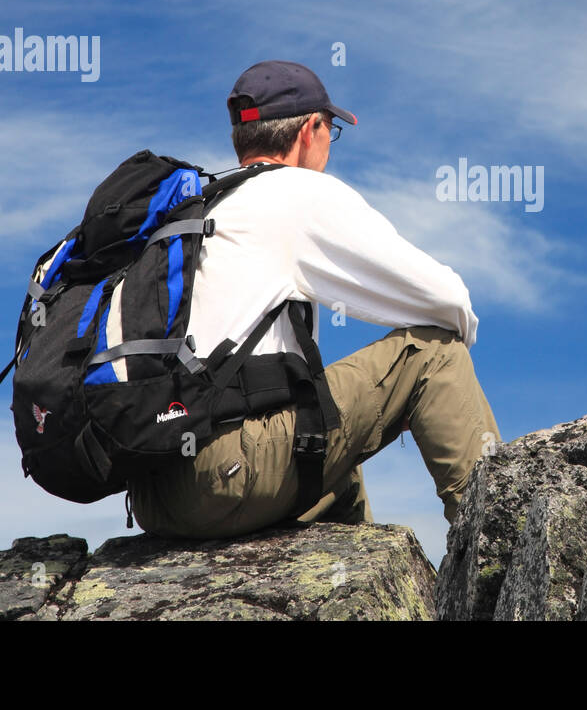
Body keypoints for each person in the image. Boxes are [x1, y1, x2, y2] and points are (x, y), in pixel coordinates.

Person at [127, 60, 501, 539]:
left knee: (322, 428)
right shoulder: (296, 193)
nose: (330, 146)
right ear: (311, 130)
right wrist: (443, 371)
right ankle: (499, 558)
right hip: (225, 474)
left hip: (156, 494)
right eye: (332, 131)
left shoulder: (196, 208)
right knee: (435, 356)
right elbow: (448, 300)